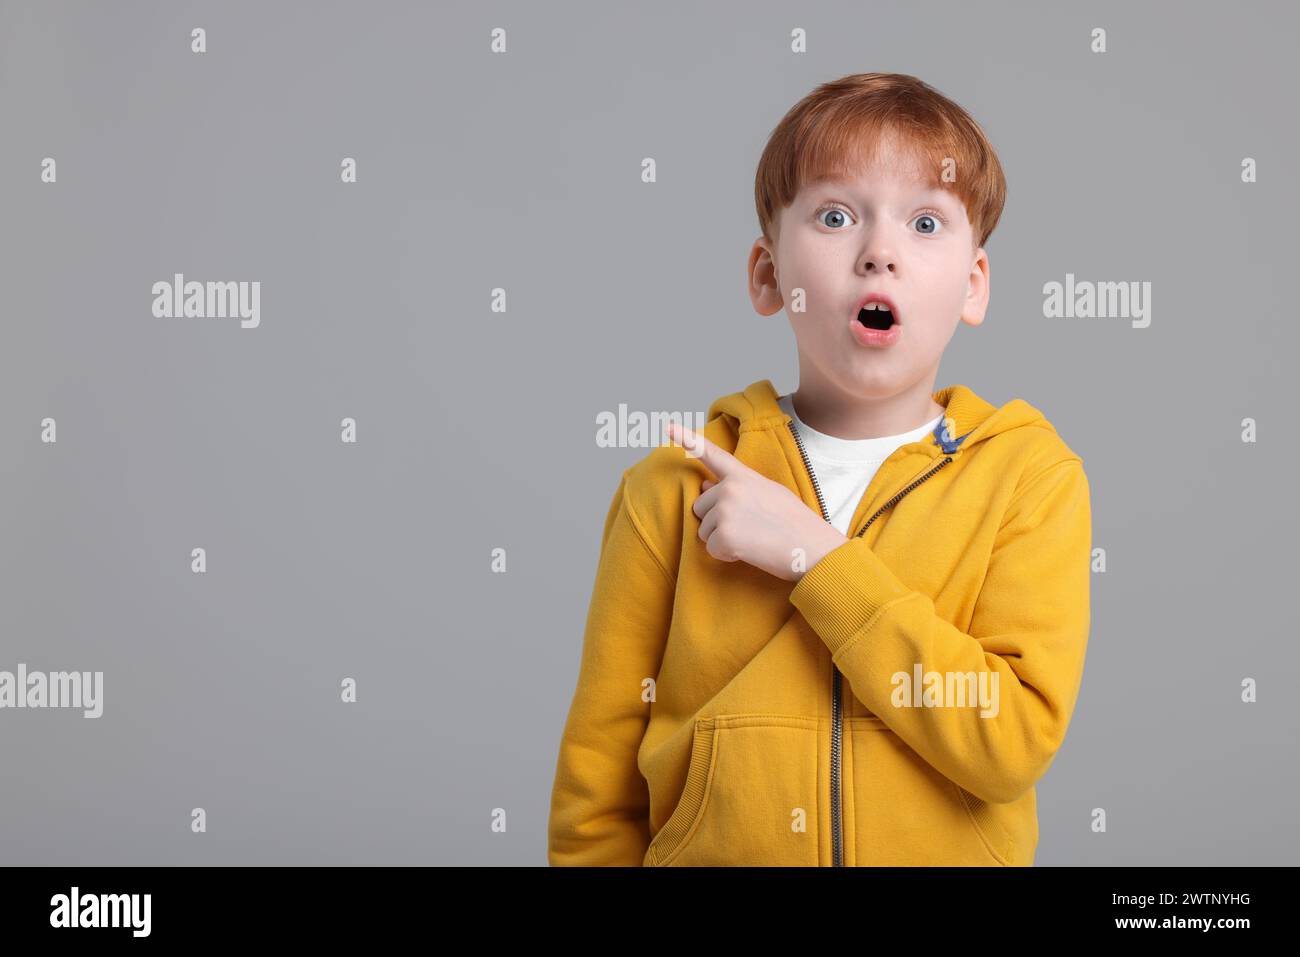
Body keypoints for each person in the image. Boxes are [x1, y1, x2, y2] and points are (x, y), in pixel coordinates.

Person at [547, 72, 1092, 866]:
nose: (880, 253)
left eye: (926, 222)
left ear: (973, 285)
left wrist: (819, 559)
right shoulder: (672, 489)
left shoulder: (1028, 478)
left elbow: (1007, 739)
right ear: (768, 275)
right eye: (836, 216)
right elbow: (597, 776)